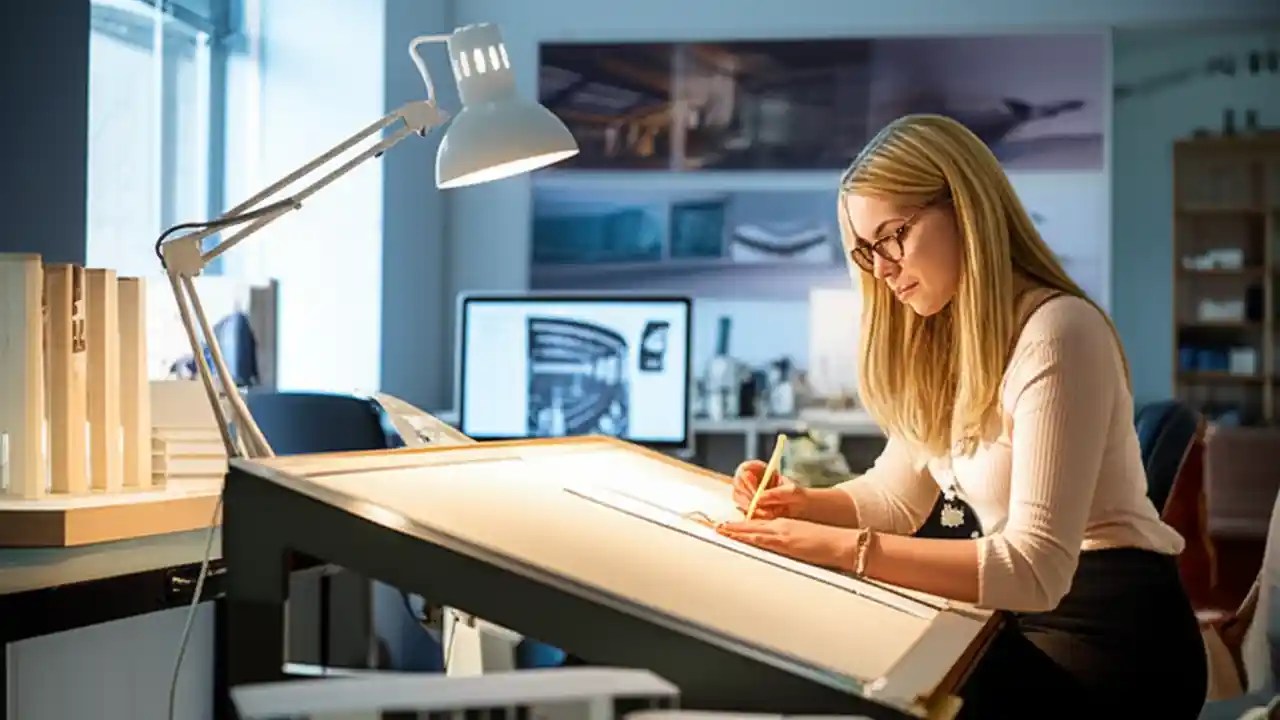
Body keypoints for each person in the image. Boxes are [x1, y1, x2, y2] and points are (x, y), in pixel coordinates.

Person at [716, 114, 1207, 718]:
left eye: (893, 236)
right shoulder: (945, 340)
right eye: (867, 252)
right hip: (1027, 617)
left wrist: (840, 548)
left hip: (1112, 638)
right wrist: (802, 505)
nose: (883, 269)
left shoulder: (1058, 332)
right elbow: (895, 498)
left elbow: (1035, 568)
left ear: (965, 207)